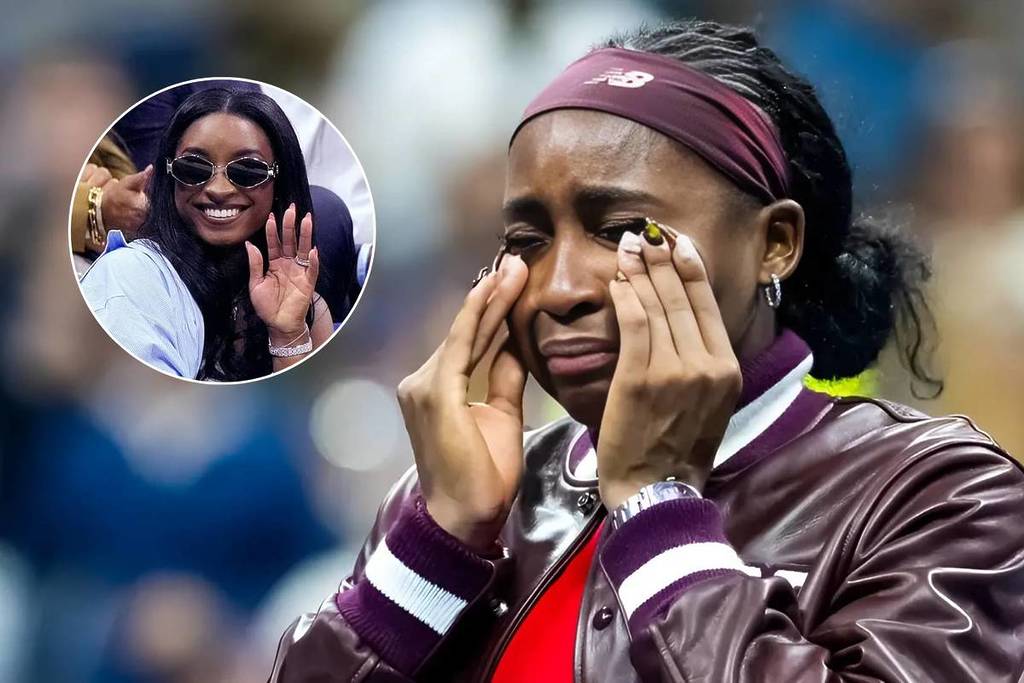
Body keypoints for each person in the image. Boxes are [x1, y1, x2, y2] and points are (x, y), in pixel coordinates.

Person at [269, 19, 1024, 682]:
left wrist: (659, 511)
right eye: (526, 241)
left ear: (775, 243)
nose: (559, 286)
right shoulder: (467, 500)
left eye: (623, 228)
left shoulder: (939, 495)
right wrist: (435, 546)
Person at [80, 88, 333, 381]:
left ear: (281, 181)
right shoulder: (130, 277)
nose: (218, 189)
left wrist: (287, 335)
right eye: (193, 167)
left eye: (248, 170)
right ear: (168, 175)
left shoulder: (307, 308)